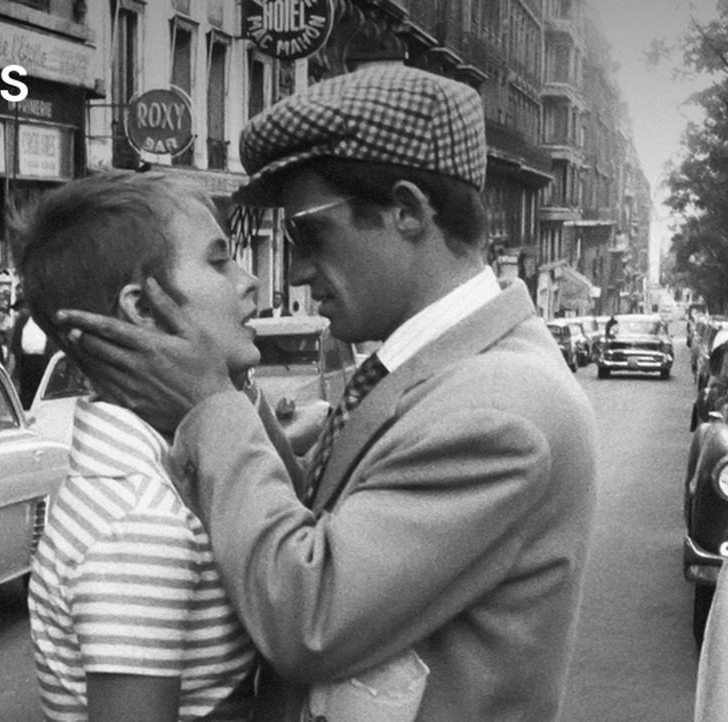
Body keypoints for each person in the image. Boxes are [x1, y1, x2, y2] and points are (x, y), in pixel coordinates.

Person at [53, 65, 598, 721]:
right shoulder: (445, 371)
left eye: (308, 234)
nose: (296, 272)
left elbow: (307, 614)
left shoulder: (498, 411)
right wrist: (242, 404)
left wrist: (210, 404)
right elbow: (323, 520)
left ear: (407, 212)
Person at [16, 170, 304, 722]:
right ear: (143, 310)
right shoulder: (142, 522)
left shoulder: (151, 478)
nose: (249, 281)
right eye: (219, 261)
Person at [7, 289, 58, 410]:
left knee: (43, 401)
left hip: (44, 365)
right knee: (25, 401)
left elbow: (54, 349)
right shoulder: (22, 322)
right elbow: (14, 350)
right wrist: (8, 375)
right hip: (25, 365)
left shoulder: (49, 322)